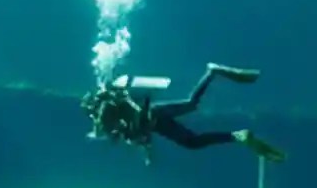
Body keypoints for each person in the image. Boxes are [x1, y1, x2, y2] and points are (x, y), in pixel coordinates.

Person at [82, 63, 286, 163]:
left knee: (191, 125)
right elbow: (141, 135)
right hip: (155, 119)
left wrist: (145, 147)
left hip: (154, 115)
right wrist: (148, 154)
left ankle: (213, 71)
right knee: (192, 133)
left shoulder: (106, 115)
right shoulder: (113, 121)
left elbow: (136, 122)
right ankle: (237, 135)